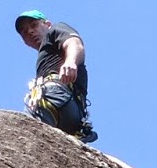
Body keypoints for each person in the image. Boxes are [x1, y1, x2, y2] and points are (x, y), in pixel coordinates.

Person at [15, 11, 97, 144]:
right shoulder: (46, 55)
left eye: (34, 25)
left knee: (27, 133)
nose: (30, 31)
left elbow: (74, 43)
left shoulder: (55, 29)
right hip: (72, 117)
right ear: (25, 42)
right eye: (24, 32)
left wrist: (70, 62)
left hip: (55, 96)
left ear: (47, 24)